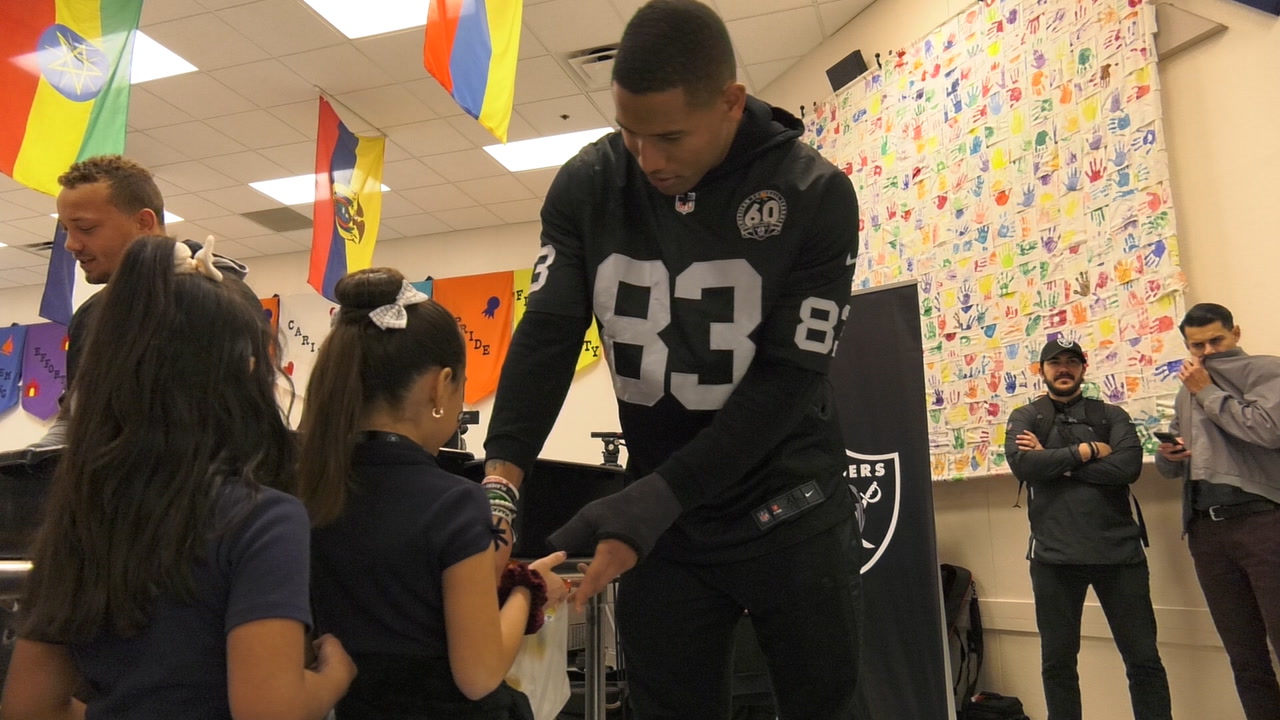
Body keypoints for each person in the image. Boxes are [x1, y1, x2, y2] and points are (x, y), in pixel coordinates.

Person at [481, 1, 862, 717]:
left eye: (669, 136)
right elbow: (549, 335)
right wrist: (501, 481)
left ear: (730, 102)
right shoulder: (588, 184)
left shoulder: (817, 195)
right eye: (629, 133)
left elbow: (787, 380)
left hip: (788, 507)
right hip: (664, 522)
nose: (648, 158)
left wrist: (656, 496)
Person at [0, 236, 355, 719]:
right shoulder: (264, 518)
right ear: (249, 372)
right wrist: (335, 674)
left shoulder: (81, 511)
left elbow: (29, 706)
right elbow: (271, 710)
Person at [295, 268, 570, 720]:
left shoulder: (307, 492)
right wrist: (528, 590)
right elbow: (478, 674)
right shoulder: (456, 503)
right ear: (440, 386)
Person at [29, 155, 257, 448]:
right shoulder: (91, 315)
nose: (71, 244)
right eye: (65, 230)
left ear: (143, 222)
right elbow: (78, 415)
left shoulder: (221, 298)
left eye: (85, 228)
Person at [1005, 338, 1171, 720]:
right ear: (1040, 369)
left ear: (1083, 367)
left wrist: (1052, 460)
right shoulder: (1026, 416)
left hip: (1120, 557)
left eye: (1071, 362)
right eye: (1054, 362)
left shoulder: (1111, 415)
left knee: (1144, 661)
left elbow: (1126, 468)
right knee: (1058, 665)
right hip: (1053, 560)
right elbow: (1023, 466)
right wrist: (1087, 451)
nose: (1063, 368)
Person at [1155, 303, 1280, 720]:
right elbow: (1176, 465)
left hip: (1263, 523)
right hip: (1206, 531)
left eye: (1216, 340)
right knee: (1244, 655)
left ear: (1236, 333)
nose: (1208, 350)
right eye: (1197, 344)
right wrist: (1169, 455)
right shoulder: (1187, 386)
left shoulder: (1266, 371)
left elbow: (1268, 430)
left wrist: (1207, 390)